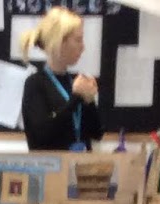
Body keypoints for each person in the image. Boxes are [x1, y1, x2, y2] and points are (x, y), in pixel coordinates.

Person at [20, 7, 102, 152]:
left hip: (80, 169)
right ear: (59, 42)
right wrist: (76, 98)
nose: (83, 47)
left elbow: (97, 133)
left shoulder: (75, 83)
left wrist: (89, 101)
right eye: (78, 40)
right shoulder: (35, 84)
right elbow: (41, 137)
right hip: (52, 171)